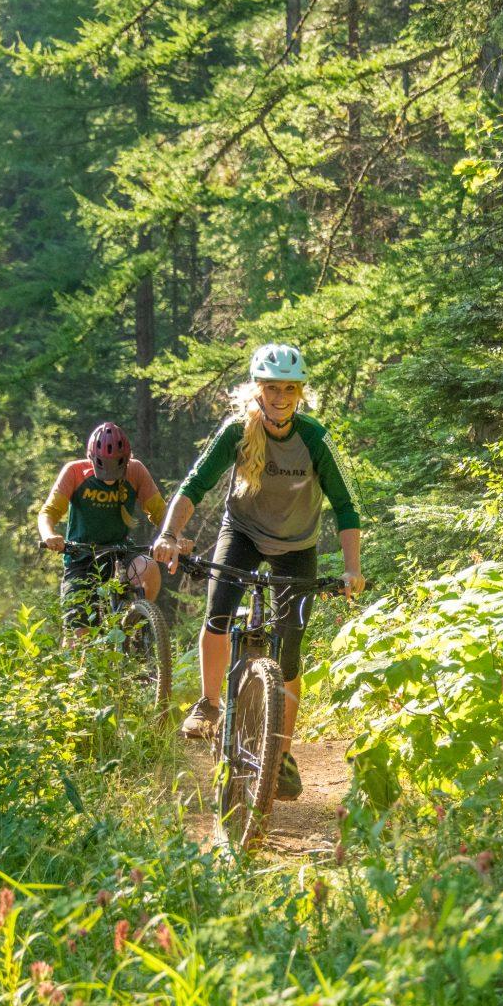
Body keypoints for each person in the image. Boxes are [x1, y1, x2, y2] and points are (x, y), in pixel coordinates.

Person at [153, 343, 364, 800]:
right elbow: (195, 484)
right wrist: (169, 533)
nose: (281, 397)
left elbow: (347, 506)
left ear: (300, 392)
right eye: (272, 388)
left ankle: (281, 754)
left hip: (297, 546)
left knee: (289, 651)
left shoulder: (315, 438)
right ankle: (210, 703)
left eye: (289, 389)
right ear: (258, 390)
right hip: (243, 533)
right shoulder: (237, 430)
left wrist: (352, 569)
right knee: (218, 614)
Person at [38, 422, 167, 632]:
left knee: (149, 567)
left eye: (117, 467)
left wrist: (174, 536)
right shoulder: (75, 472)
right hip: (81, 556)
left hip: (120, 552)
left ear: (127, 460)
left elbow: (160, 512)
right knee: (78, 633)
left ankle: (137, 627)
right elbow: (49, 512)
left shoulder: (136, 471)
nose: (110, 477)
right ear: (91, 459)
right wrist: (49, 535)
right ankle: (79, 647)